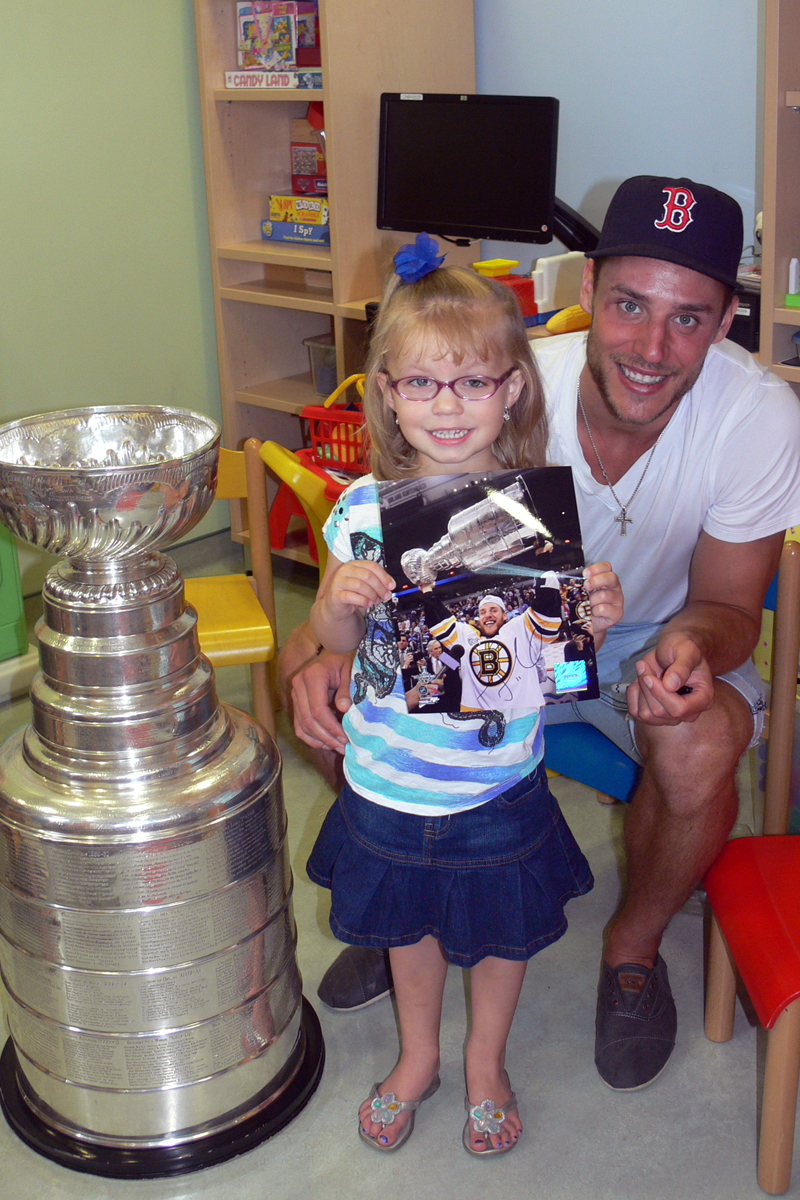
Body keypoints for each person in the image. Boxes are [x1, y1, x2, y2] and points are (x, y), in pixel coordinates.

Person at [280, 176, 800, 1094]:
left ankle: (632, 953)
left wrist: (685, 653)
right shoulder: (511, 387)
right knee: (311, 673)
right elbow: (383, 556)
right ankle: (404, 906)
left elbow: (725, 607)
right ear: (587, 293)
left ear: (725, 324)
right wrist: (327, 648)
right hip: (483, 652)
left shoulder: (757, 417)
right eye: (629, 304)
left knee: (704, 734)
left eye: (688, 319)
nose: (650, 345)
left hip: (647, 638)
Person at [304, 236, 624, 1155]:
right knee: (407, 932)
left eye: (473, 383)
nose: (448, 407)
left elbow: (555, 656)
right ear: (389, 394)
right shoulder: (365, 509)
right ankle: (417, 1058)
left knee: (500, 937)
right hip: (388, 782)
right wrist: (336, 603)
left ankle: (485, 1062)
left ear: (511, 388)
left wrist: (594, 621)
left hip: (496, 785)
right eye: (422, 385)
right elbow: (335, 647)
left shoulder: (533, 512)